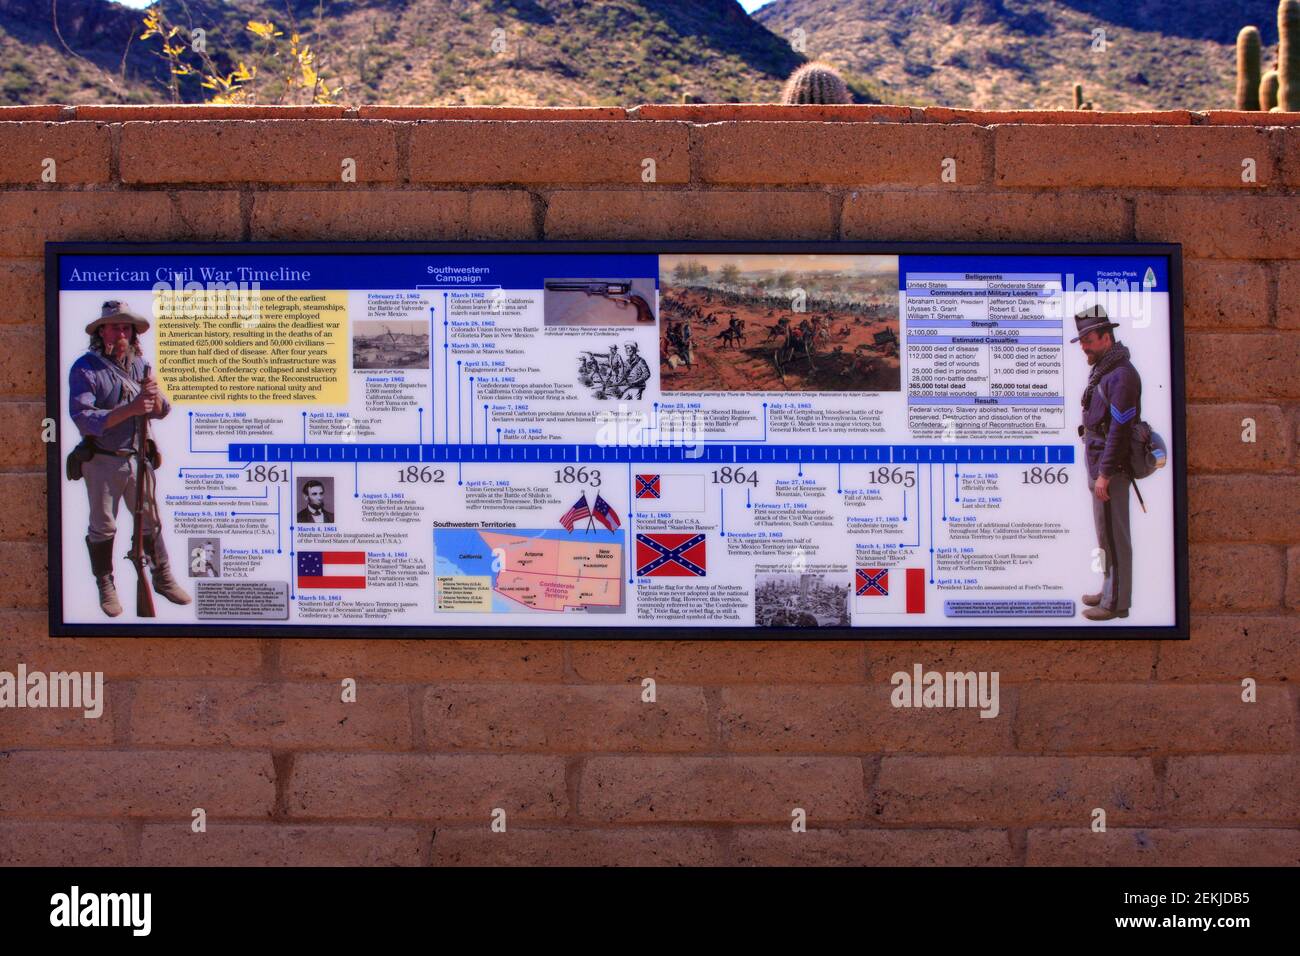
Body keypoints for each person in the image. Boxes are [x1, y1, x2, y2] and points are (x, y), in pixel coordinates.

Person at [69, 301, 191, 617]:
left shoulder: (140, 365)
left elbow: (162, 411)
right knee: (104, 526)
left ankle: (162, 577)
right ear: (101, 332)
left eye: (126, 327)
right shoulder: (85, 369)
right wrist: (132, 408)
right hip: (104, 460)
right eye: (114, 326)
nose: (121, 332)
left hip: (139, 458)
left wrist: (154, 399)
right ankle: (105, 584)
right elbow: (84, 418)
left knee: (150, 520)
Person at [1073, 304, 1141, 621]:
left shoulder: (1122, 376)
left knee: (1115, 536)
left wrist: (1105, 474)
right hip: (1098, 463)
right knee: (1105, 536)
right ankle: (1109, 588)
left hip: (1109, 468)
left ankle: (1117, 603)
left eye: (1088, 340)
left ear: (1105, 338)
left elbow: (1119, 430)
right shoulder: (1105, 370)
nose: (1084, 346)